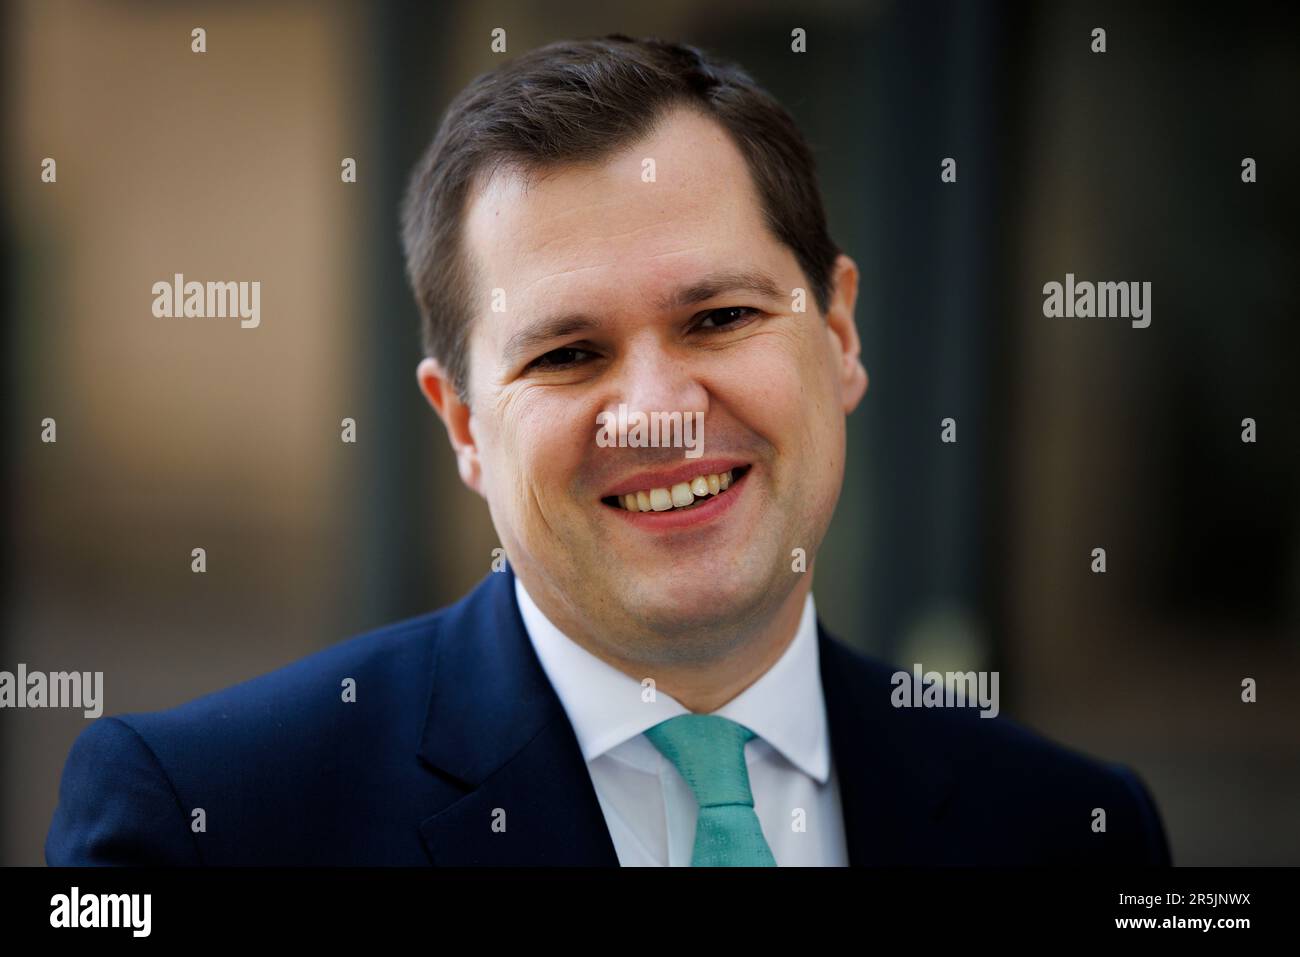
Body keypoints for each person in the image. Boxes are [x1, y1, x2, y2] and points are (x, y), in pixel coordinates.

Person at [46, 35, 1171, 866]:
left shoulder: (1073, 829)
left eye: (720, 318)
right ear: (464, 426)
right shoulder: (201, 822)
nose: (657, 413)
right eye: (569, 353)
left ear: (836, 336)